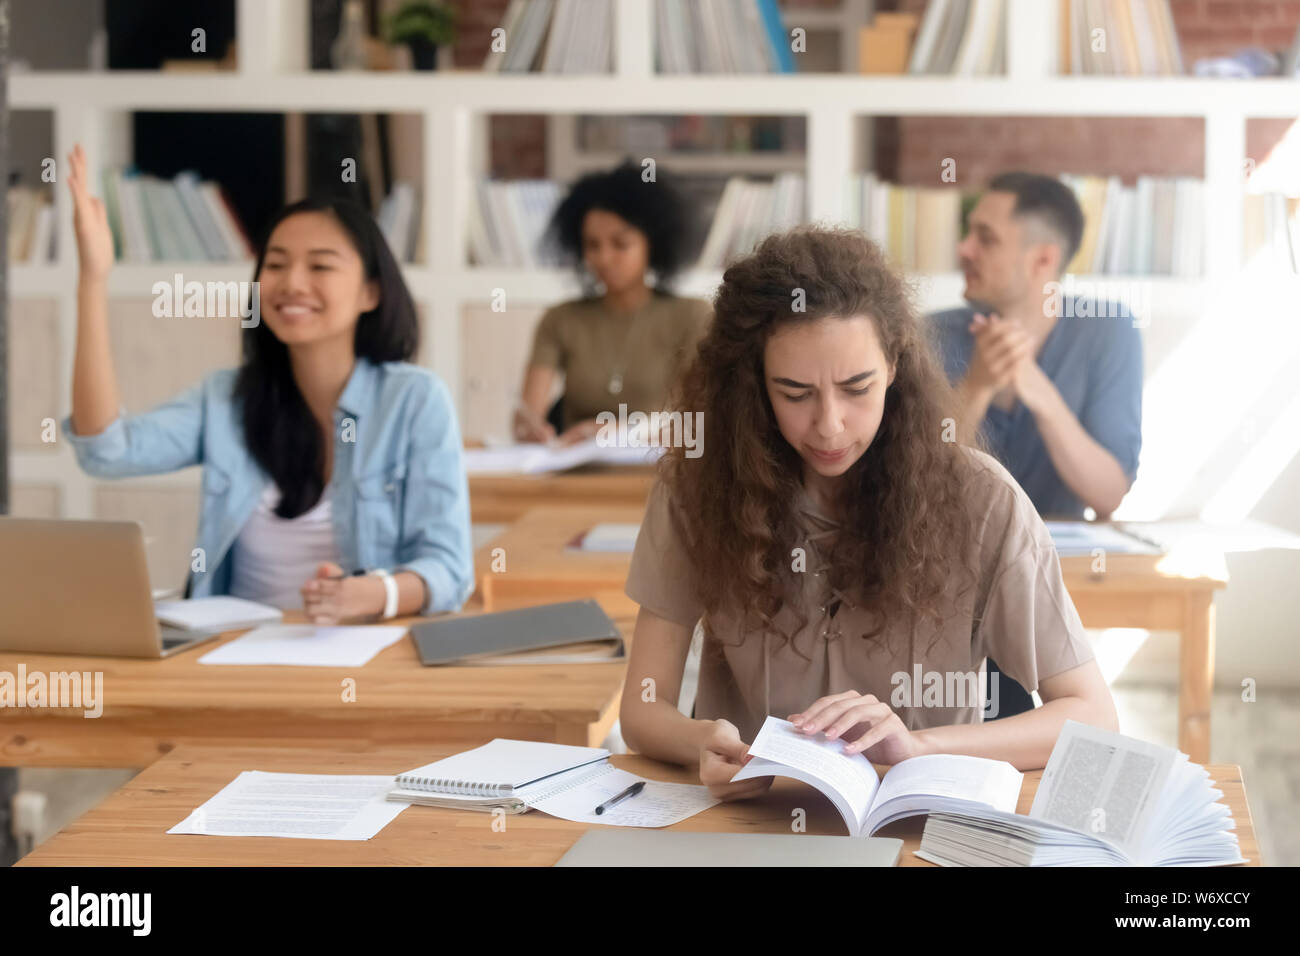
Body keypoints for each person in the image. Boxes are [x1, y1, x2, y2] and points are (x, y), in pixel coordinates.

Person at [618, 226, 1117, 801]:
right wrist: (700, 738)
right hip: (749, 826)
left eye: (858, 388)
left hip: (919, 825)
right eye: (795, 393)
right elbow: (643, 707)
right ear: (753, 385)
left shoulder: (984, 503)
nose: (829, 425)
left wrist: (919, 747)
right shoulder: (697, 491)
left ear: (896, 366)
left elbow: (1093, 716)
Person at [61, 145, 473, 622]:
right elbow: (105, 450)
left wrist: (376, 593)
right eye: (275, 265)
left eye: (320, 266)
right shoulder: (225, 398)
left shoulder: (414, 402)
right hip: (230, 654)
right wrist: (93, 280)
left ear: (370, 291)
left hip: (359, 657)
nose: (292, 283)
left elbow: (449, 568)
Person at [930, 171, 1144, 521]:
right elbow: (919, 480)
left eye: (985, 238)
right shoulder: (931, 333)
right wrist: (976, 386)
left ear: (1043, 260)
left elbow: (1108, 496)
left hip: (1062, 565)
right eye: (969, 233)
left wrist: (1038, 392)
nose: (964, 248)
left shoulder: (1108, 330)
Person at [513, 162, 710, 444]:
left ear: (651, 245)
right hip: (576, 473)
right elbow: (529, 411)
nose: (604, 258)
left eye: (620, 244)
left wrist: (621, 435)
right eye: (593, 245)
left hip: (662, 474)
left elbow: (697, 420)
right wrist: (528, 427)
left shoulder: (692, 316)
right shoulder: (561, 319)